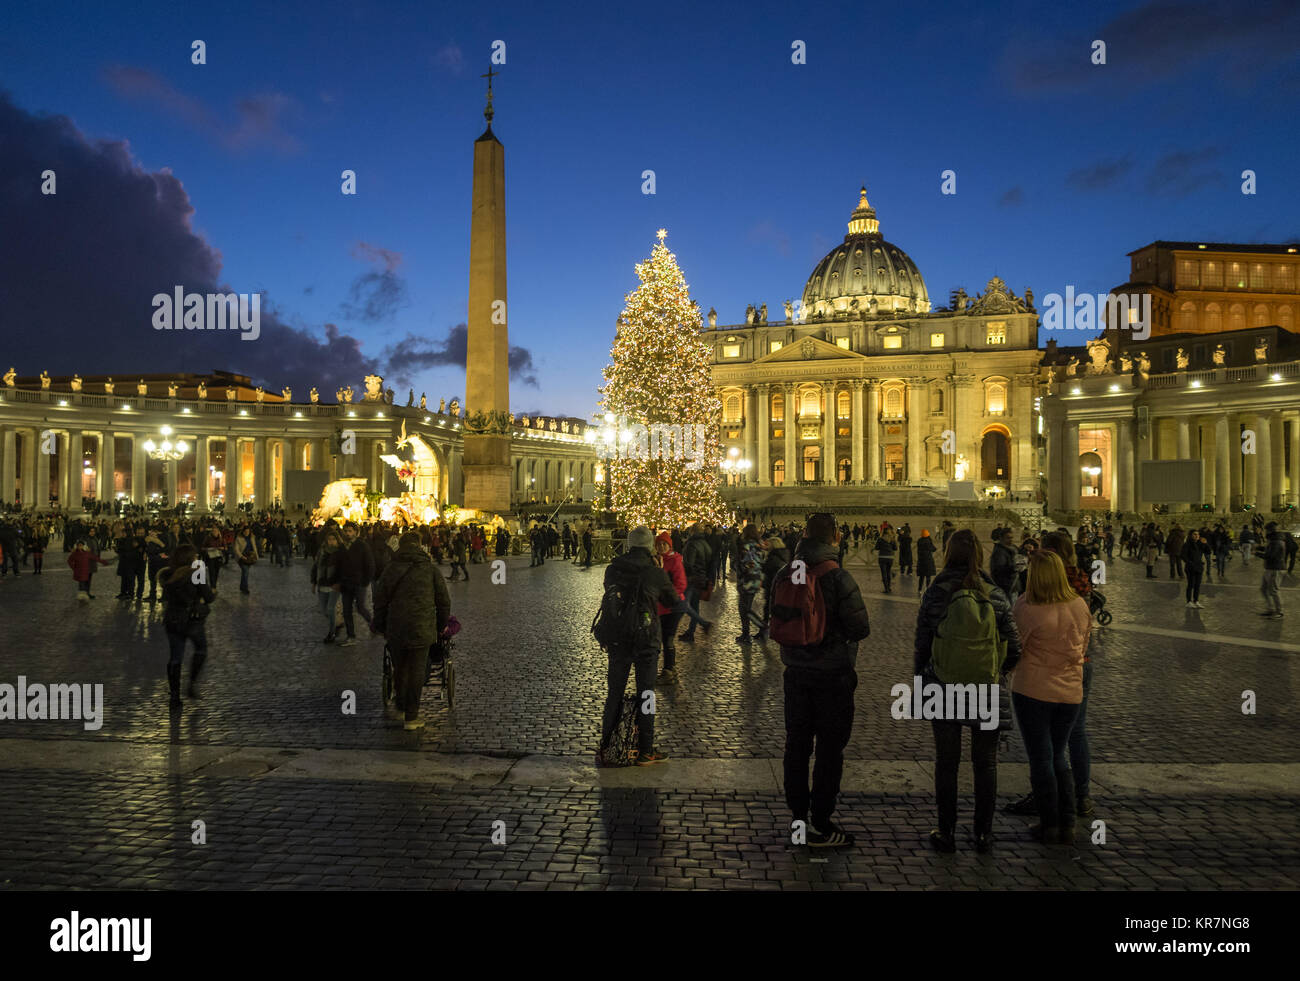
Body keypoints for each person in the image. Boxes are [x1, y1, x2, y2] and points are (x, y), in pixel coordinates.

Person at [914, 529, 1021, 853]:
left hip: (943, 684)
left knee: (947, 762)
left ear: (947, 555)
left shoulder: (937, 592)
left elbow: (922, 643)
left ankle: (946, 831)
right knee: (985, 763)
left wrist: (923, 678)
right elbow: (1015, 647)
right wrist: (996, 670)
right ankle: (983, 834)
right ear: (980, 555)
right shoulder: (995, 593)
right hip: (985, 686)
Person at [772, 513, 871, 848]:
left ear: (803, 536)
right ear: (836, 538)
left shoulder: (786, 573)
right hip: (832, 676)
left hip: (795, 674)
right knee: (830, 751)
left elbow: (779, 620)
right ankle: (821, 822)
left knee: (796, 747)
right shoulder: (838, 576)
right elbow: (860, 628)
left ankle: (798, 820)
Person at [1011, 551, 1091, 845]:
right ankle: (1067, 823)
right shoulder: (1080, 605)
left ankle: (1049, 824)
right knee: (1059, 754)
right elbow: (1084, 645)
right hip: (1070, 691)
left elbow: (1014, 644)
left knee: (1041, 758)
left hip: (1033, 689)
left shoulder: (1027, 606)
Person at [596, 525, 679, 766]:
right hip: (646, 640)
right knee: (647, 694)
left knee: (614, 694)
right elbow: (671, 600)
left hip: (618, 638)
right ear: (650, 546)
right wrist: (660, 573)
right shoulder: (654, 571)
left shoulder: (613, 569)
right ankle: (645, 750)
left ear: (630, 544)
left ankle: (606, 746)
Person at [373, 532, 451, 731]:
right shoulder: (430, 570)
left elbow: (380, 600)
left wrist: (380, 625)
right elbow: (443, 602)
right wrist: (440, 626)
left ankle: (400, 706)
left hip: (396, 626)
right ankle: (411, 716)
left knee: (400, 668)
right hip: (422, 626)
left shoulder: (391, 568)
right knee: (416, 670)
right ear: (419, 545)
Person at [161, 544, 216, 710]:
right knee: (201, 649)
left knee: (175, 657)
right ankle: (191, 684)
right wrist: (211, 592)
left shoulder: (168, 574)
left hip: (173, 619)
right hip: (191, 620)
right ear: (190, 558)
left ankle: (175, 696)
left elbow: (166, 596)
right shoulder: (195, 574)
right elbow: (208, 597)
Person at [654, 532, 686, 683]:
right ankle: (670, 669)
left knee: (667, 638)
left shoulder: (674, 561)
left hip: (674, 606)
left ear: (669, 545)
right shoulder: (656, 560)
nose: (661, 547)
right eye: (659, 544)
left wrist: (666, 595)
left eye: (664, 544)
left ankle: (669, 671)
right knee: (663, 638)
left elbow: (681, 584)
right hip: (661, 606)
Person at [338, 522, 376, 645]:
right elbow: (338, 564)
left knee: (360, 607)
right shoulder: (342, 546)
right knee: (347, 610)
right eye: (346, 531)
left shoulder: (362, 545)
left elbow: (369, 564)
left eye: (350, 531)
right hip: (345, 583)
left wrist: (365, 581)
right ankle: (351, 636)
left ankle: (373, 625)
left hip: (358, 583)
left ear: (355, 532)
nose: (348, 533)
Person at [678, 523, 714, 642]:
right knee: (694, 605)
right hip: (701, 578)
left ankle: (703, 624)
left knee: (683, 604)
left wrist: (685, 575)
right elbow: (710, 563)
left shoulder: (692, 544)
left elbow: (689, 564)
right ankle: (690, 632)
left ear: (692, 531)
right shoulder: (706, 544)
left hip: (692, 579)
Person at [311, 527, 345, 643]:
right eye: (329, 539)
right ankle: (338, 623)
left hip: (334, 585)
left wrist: (339, 583)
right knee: (324, 610)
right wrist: (313, 583)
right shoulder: (322, 551)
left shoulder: (341, 552)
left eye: (333, 539)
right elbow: (316, 567)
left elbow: (343, 570)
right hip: (322, 584)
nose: (331, 541)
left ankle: (332, 633)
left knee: (330, 609)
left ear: (337, 540)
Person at [735, 525, 767, 643]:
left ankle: (760, 627)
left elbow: (748, 563)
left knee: (744, 608)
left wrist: (739, 567)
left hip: (747, 579)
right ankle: (746, 633)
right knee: (745, 608)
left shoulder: (747, 545)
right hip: (756, 578)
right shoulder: (760, 545)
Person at [1259, 522, 1286, 619]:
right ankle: (1271, 609)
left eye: (1266, 530)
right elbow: (1268, 550)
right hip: (1270, 568)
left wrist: (1257, 553)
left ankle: (1279, 612)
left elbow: (1270, 556)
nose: (1264, 532)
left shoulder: (1277, 541)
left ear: (1270, 530)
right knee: (1263, 589)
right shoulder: (1273, 540)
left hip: (1276, 569)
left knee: (1274, 590)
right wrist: (1259, 548)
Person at [989, 528, 1018, 600]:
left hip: (1013, 585)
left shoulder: (1013, 548)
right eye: (1008, 538)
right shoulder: (999, 552)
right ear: (1001, 538)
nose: (1011, 540)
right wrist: (1014, 567)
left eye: (1012, 538)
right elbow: (999, 570)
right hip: (1005, 587)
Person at [1181, 530, 1206, 608]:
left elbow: (1208, 551)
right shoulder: (1187, 544)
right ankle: (1188, 601)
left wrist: (1205, 543)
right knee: (1191, 584)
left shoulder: (1199, 544)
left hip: (1199, 567)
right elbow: (1183, 555)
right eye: (1195, 534)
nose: (1197, 536)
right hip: (1190, 568)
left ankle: (1196, 600)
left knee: (1197, 585)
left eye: (1198, 534)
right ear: (1191, 535)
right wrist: (1190, 563)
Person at [234, 524, 258, 595]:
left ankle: (242, 587)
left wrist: (256, 555)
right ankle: (245, 588)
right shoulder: (239, 538)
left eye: (248, 531)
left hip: (250, 557)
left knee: (245, 573)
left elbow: (254, 547)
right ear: (243, 531)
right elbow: (236, 549)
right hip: (242, 557)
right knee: (245, 571)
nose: (247, 532)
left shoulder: (252, 537)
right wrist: (241, 556)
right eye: (246, 531)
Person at [874, 527, 896, 593]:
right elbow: (895, 548)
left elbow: (877, 547)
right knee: (888, 572)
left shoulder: (880, 539)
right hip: (890, 558)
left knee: (884, 573)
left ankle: (886, 588)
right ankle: (889, 587)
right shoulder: (892, 539)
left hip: (882, 557)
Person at [916, 528, 937, 593]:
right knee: (928, 576)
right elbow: (933, 549)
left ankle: (919, 589)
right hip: (928, 560)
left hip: (921, 560)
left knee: (921, 577)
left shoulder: (919, 541)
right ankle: (928, 589)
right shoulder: (928, 541)